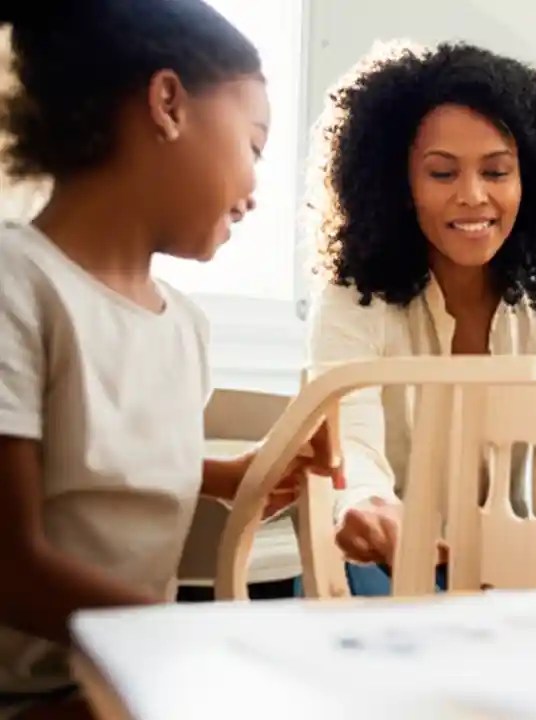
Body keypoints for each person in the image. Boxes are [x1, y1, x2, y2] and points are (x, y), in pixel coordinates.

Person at [0, 1, 340, 717]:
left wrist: (232, 476)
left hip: (130, 681)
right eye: (253, 145)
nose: (254, 192)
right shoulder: (19, 285)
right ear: (167, 103)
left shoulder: (184, 326)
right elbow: (12, 566)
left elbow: (103, 467)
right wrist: (200, 643)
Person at [306, 41, 536, 595]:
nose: (473, 196)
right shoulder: (353, 301)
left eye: (496, 172)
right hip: (371, 566)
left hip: (505, 570)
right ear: (401, 186)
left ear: (529, 182)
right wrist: (369, 509)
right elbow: (354, 447)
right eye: (442, 174)